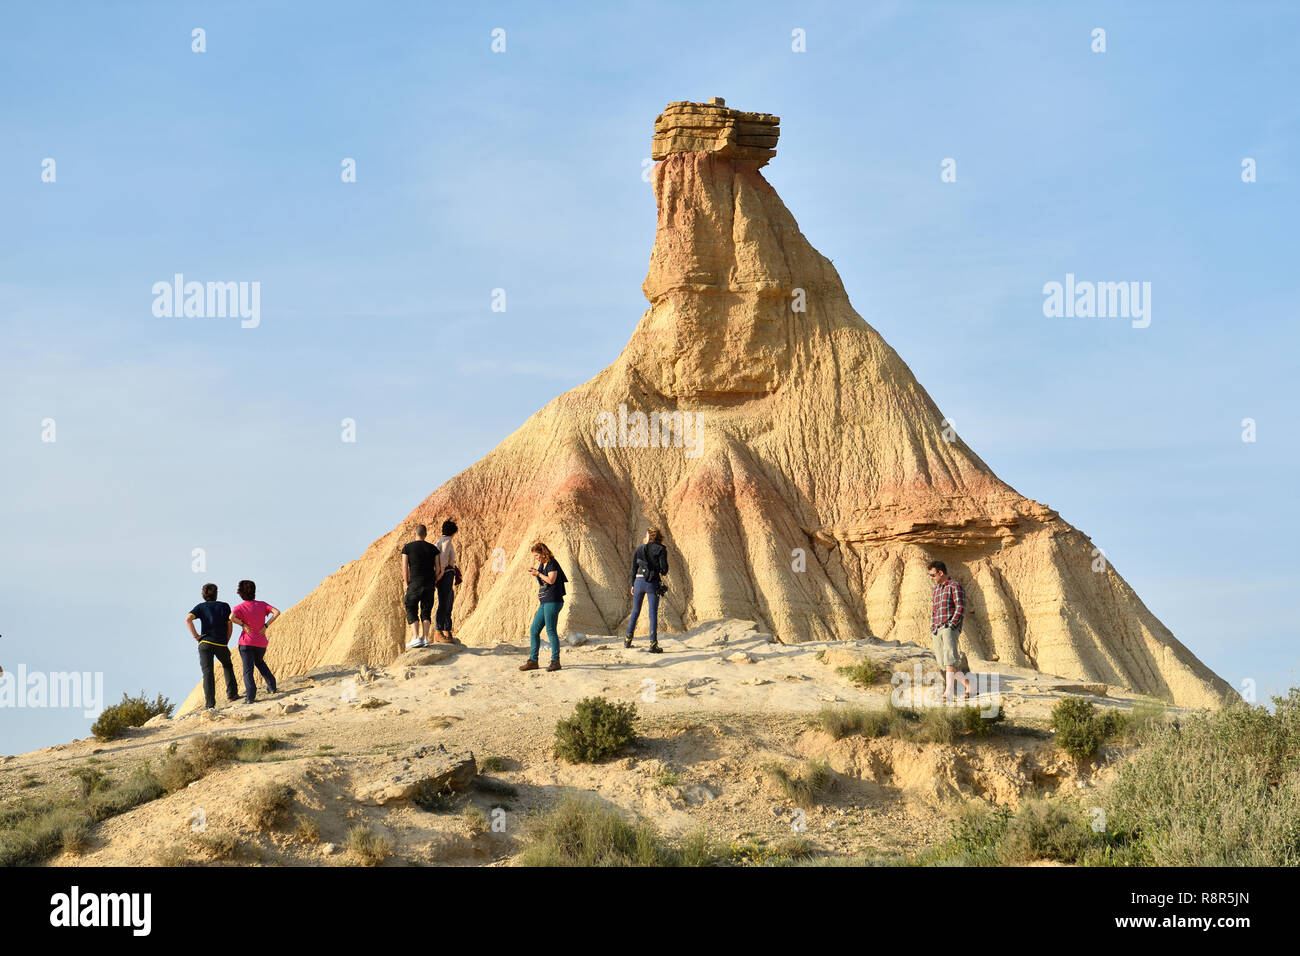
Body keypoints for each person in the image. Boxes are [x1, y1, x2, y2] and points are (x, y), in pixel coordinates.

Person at [186, 583, 239, 708]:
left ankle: (210, 705)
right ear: (216, 594)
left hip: (205, 643)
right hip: (220, 642)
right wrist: (226, 640)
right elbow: (229, 625)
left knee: (207, 673)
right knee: (227, 665)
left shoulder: (200, 607)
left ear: (203, 595)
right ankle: (232, 695)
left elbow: (188, 619)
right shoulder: (224, 606)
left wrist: (196, 636)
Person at [927, 560, 972, 703]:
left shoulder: (954, 586)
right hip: (937, 629)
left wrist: (952, 625)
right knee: (943, 663)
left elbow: (960, 607)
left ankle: (948, 692)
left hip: (948, 628)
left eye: (932, 575)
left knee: (950, 660)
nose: (931, 578)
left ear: (941, 573)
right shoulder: (936, 590)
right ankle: (969, 685)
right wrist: (933, 627)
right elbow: (935, 610)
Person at [520, 542, 566, 672]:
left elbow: (551, 580)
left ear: (543, 552)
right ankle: (533, 661)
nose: (536, 558)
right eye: (534, 556)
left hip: (553, 600)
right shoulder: (543, 564)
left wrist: (538, 574)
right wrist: (536, 572)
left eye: (537, 555)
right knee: (534, 630)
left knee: (551, 631)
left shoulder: (552, 563)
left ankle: (555, 661)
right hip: (545, 601)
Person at [231, 579, 279, 703]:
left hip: (246, 643)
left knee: (248, 670)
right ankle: (272, 686)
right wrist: (266, 626)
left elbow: (231, 617)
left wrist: (242, 624)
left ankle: (250, 697)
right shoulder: (262, 604)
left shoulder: (240, 607)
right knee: (260, 662)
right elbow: (277, 612)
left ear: (241, 593)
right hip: (261, 642)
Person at [626, 527, 669, 653]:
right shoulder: (661, 549)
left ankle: (628, 640)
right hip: (652, 583)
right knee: (652, 614)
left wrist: (632, 584)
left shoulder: (640, 548)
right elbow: (664, 570)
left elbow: (634, 568)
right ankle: (653, 644)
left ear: (649, 536)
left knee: (635, 611)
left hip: (638, 581)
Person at [401, 524, 440, 648]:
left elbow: (404, 568)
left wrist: (407, 583)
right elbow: (438, 569)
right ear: (426, 534)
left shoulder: (407, 548)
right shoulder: (434, 549)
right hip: (429, 584)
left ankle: (416, 637)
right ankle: (425, 639)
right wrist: (433, 581)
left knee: (411, 607)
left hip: (415, 584)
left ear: (414, 533)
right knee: (426, 611)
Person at [433, 519, 461, 645]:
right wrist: (442, 571)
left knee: (448, 600)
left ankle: (446, 631)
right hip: (447, 574)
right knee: (445, 602)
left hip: (445, 573)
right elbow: (444, 556)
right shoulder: (447, 541)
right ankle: (439, 631)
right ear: (453, 532)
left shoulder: (440, 541)